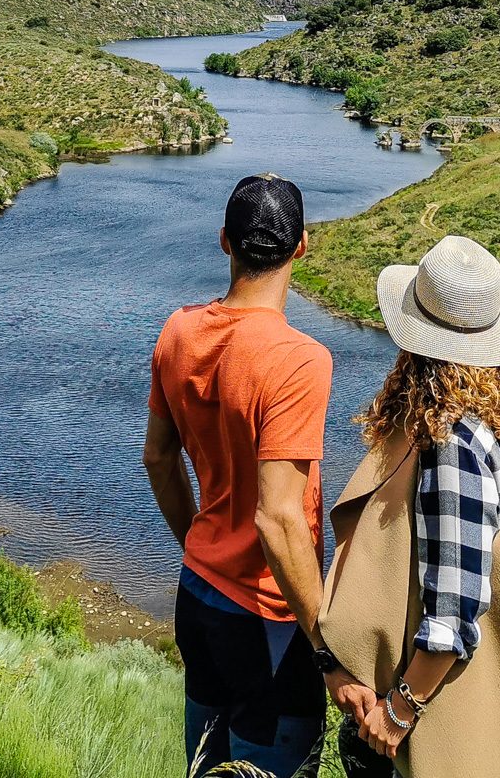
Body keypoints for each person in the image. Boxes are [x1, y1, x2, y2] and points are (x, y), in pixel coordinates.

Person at [317, 235, 500, 777]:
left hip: (434, 724)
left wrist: (397, 712)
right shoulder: (477, 419)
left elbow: (454, 611)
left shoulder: (455, 442)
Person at [143, 174, 376, 777]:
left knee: (205, 765)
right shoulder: (300, 359)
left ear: (225, 242)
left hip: (199, 596)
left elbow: (158, 459)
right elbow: (277, 518)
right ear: (302, 246)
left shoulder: (178, 332)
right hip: (269, 622)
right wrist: (329, 653)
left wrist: (199, 541)